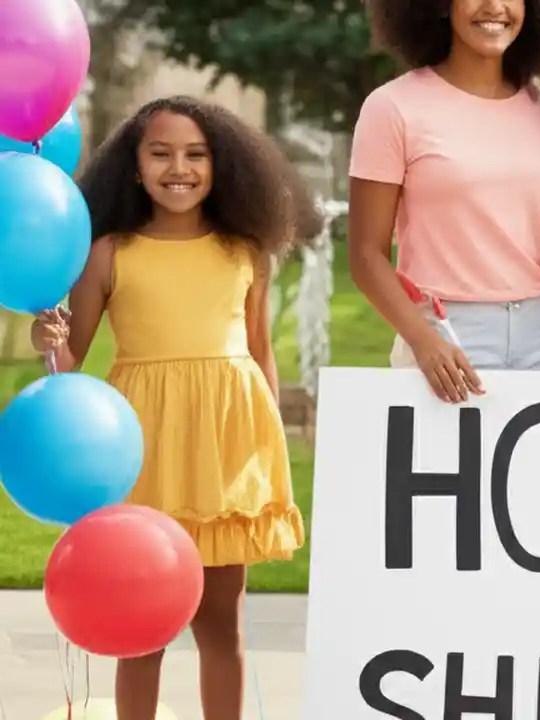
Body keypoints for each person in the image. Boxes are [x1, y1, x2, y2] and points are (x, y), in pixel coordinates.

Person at [29, 96, 319, 720]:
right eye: (159, 153)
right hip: (141, 445)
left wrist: (266, 452)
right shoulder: (110, 253)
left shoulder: (246, 253)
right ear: (134, 167)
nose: (178, 167)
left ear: (221, 166)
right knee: (142, 627)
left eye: (195, 154)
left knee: (221, 627)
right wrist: (46, 346)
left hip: (225, 446)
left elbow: (261, 352)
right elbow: (69, 363)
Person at [348, 0, 540, 404]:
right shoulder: (392, 107)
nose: (494, 6)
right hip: (446, 335)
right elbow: (364, 254)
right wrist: (423, 341)